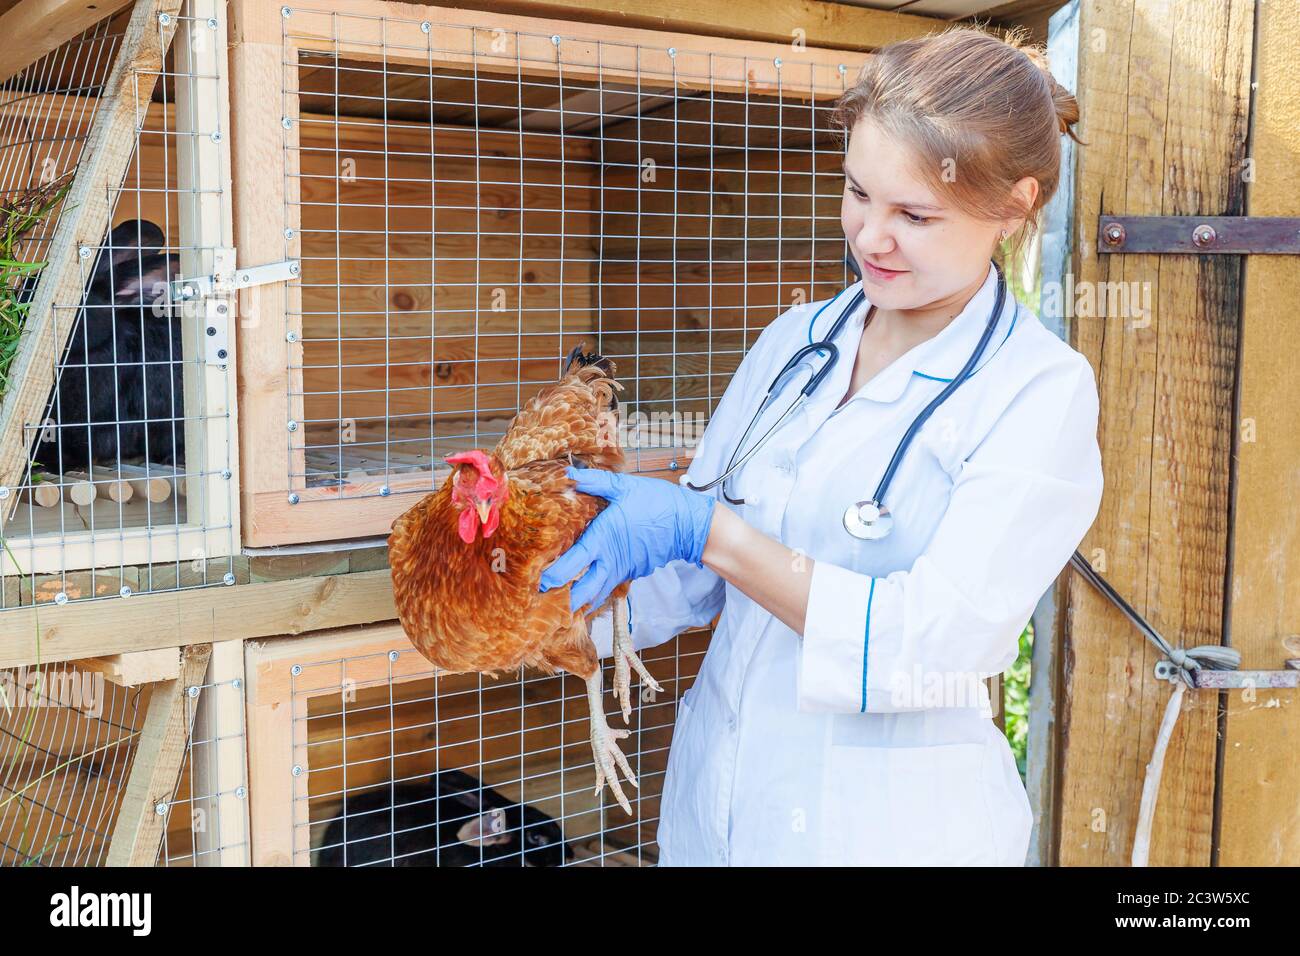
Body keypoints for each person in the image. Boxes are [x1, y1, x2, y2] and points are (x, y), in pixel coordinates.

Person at [538, 24, 1101, 866]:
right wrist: (556, 591)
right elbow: (697, 567)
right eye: (857, 192)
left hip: (887, 834)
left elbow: (928, 646)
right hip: (718, 813)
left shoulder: (1037, 392)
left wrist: (707, 534)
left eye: (914, 213)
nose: (869, 237)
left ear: (1016, 204)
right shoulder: (798, 342)